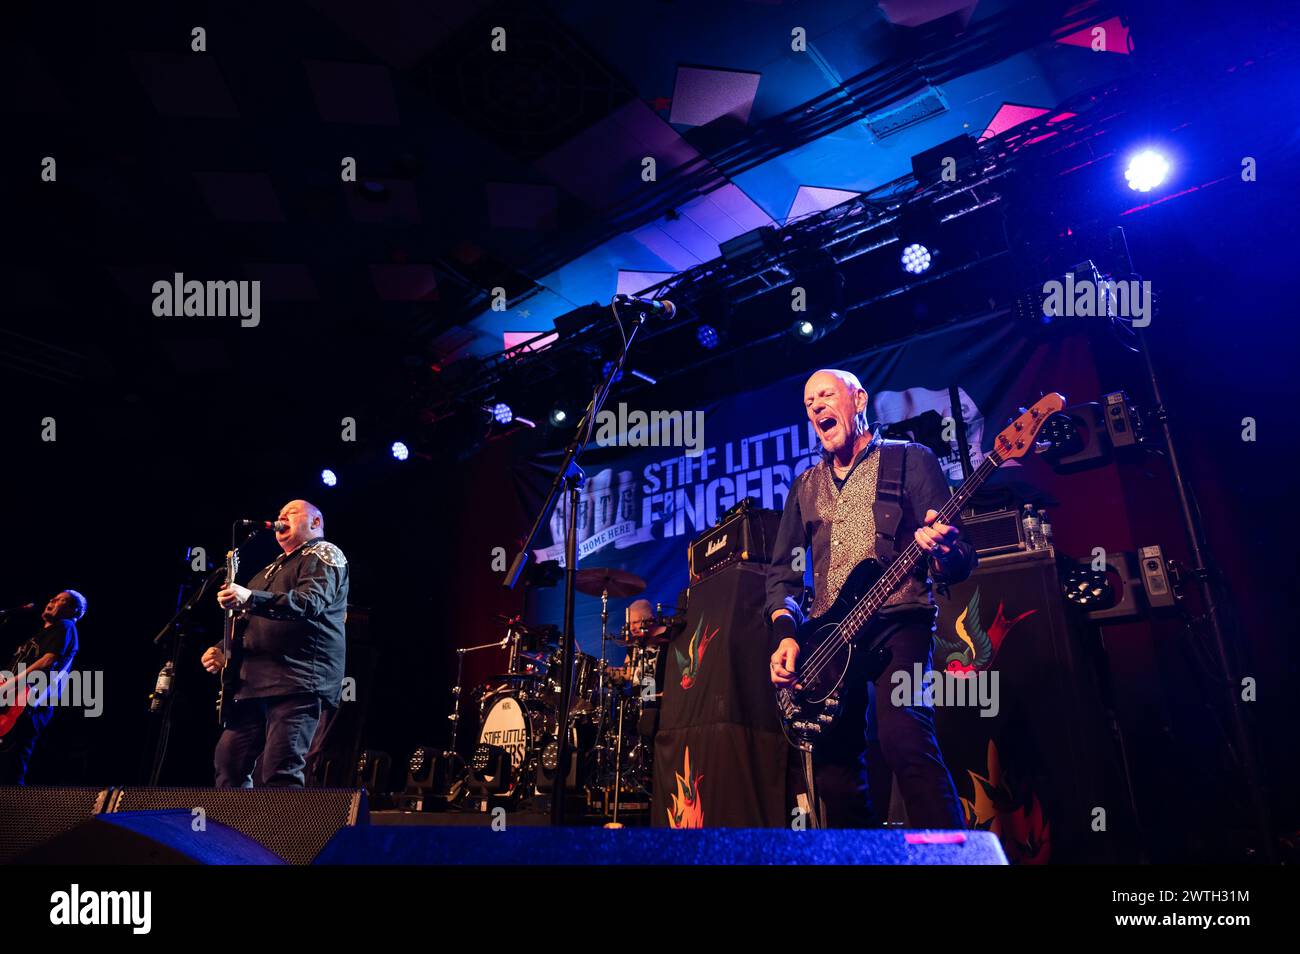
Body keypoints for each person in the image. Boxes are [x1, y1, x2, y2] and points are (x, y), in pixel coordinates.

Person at [766, 369, 975, 828]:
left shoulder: (911, 460)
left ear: (858, 400)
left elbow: (959, 559)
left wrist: (943, 550)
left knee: (903, 737)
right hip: (831, 639)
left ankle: (953, 861)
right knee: (833, 772)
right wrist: (786, 635)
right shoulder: (804, 487)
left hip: (901, 620)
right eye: (808, 403)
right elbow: (783, 574)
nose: (817, 406)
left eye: (826, 395)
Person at [203, 500, 348, 788]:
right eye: (279, 514)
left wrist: (249, 597)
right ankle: (233, 832)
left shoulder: (324, 552)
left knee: (280, 769)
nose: (281, 517)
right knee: (228, 763)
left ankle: (278, 833)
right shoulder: (270, 570)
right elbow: (248, 618)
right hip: (253, 685)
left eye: (291, 513)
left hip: (296, 680)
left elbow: (310, 602)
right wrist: (222, 648)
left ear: (316, 523)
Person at [0, 590, 84, 784]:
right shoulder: (39, 635)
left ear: (74, 610)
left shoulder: (65, 626)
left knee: (10, 767)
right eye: (52, 598)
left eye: (61, 600)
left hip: (29, 704)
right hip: (12, 701)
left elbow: (48, 661)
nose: (52, 600)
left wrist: (9, 684)